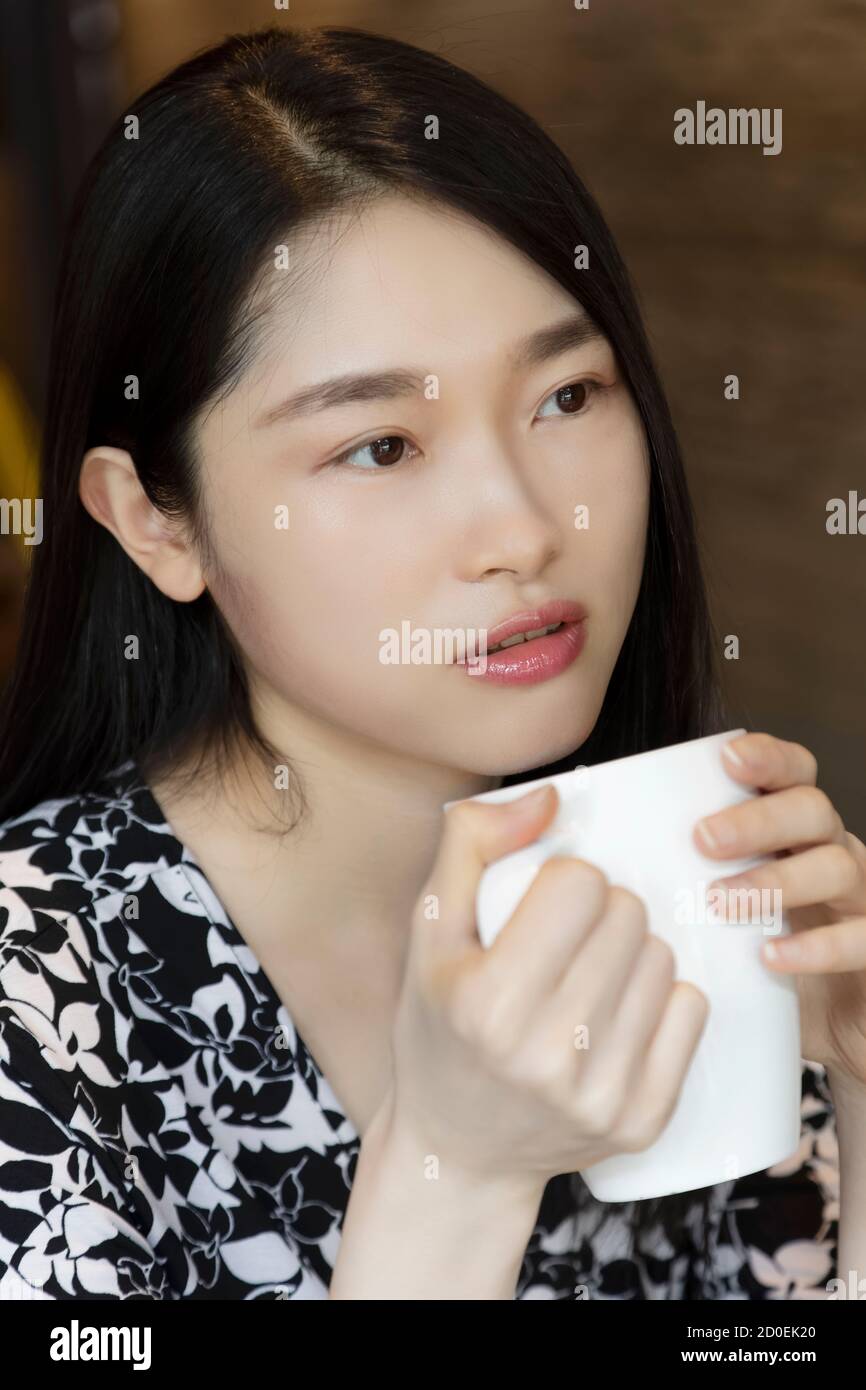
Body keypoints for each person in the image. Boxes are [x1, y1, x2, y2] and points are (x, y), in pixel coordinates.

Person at [0, 24, 863, 1301]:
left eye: (565, 397)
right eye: (382, 447)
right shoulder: (39, 1005)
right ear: (152, 520)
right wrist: (455, 1171)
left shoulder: (697, 891)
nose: (523, 529)